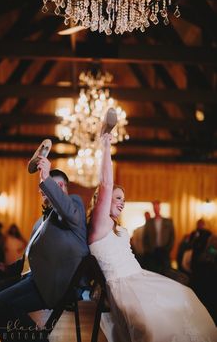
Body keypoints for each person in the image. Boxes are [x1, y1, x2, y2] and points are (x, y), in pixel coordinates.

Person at [87, 133, 217, 342]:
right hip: (123, 285)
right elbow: (106, 183)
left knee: (184, 295)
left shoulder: (114, 226)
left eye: (124, 199)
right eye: (118, 198)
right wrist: (105, 146)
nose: (122, 202)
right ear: (103, 199)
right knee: (157, 319)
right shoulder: (98, 223)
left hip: (139, 276)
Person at [0, 156, 89, 342]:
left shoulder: (74, 206)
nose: (56, 190)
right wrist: (7, 269)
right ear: (43, 193)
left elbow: (67, 211)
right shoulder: (40, 222)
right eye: (51, 187)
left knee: (1, 302)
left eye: (60, 187)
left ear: (65, 190)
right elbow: (30, 258)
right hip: (34, 277)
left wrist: (46, 177)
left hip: (57, 283)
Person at [142, 200, 175, 274]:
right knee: (154, 273)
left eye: (157, 207)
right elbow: (145, 237)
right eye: (154, 207)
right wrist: (148, 250)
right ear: (153, 209)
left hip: (165, 251)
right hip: (153, 252)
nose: (156, 209)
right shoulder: (149, 222)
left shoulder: (168, 221)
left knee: (166, 273)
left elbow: (172, 236)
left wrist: (168, 249)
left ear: (160, 208)